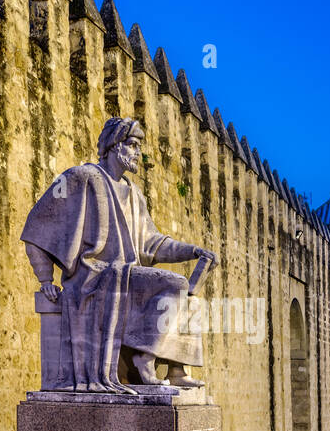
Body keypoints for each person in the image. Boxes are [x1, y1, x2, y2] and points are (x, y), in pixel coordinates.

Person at [21, 117, 217, 393]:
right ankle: (144, 358)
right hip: (95, 278)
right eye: (133, 145)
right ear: (115, 145)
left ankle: (176, 369)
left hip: (127, 276)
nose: (138, 153)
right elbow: (37, 226)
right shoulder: (82, 178)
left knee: (190, 299)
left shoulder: (135, 195)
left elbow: (153, 244)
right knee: (177, 284)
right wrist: (45, 279)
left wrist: (193, 251)